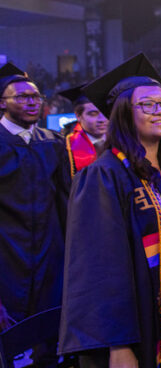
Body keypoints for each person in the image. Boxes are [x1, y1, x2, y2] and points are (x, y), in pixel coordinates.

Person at [59, 54, 161, 368]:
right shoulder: (103, 175)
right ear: (124, 114)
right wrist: (118, 345)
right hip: (132, 332)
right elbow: (98, 267)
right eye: (148, 105)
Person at [0, 62, 71, 341]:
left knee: (48, 339)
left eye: (36, 97)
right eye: (21, 97)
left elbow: (65, 205)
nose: (32, 102)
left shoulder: (52, 142)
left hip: (49, 256)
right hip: (7, 256)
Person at [59, 84, 108, 175]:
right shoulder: (64, 147)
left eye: (105, 112)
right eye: (93, 114)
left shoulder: (121, 141)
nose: (102, 119)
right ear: (78, 116)